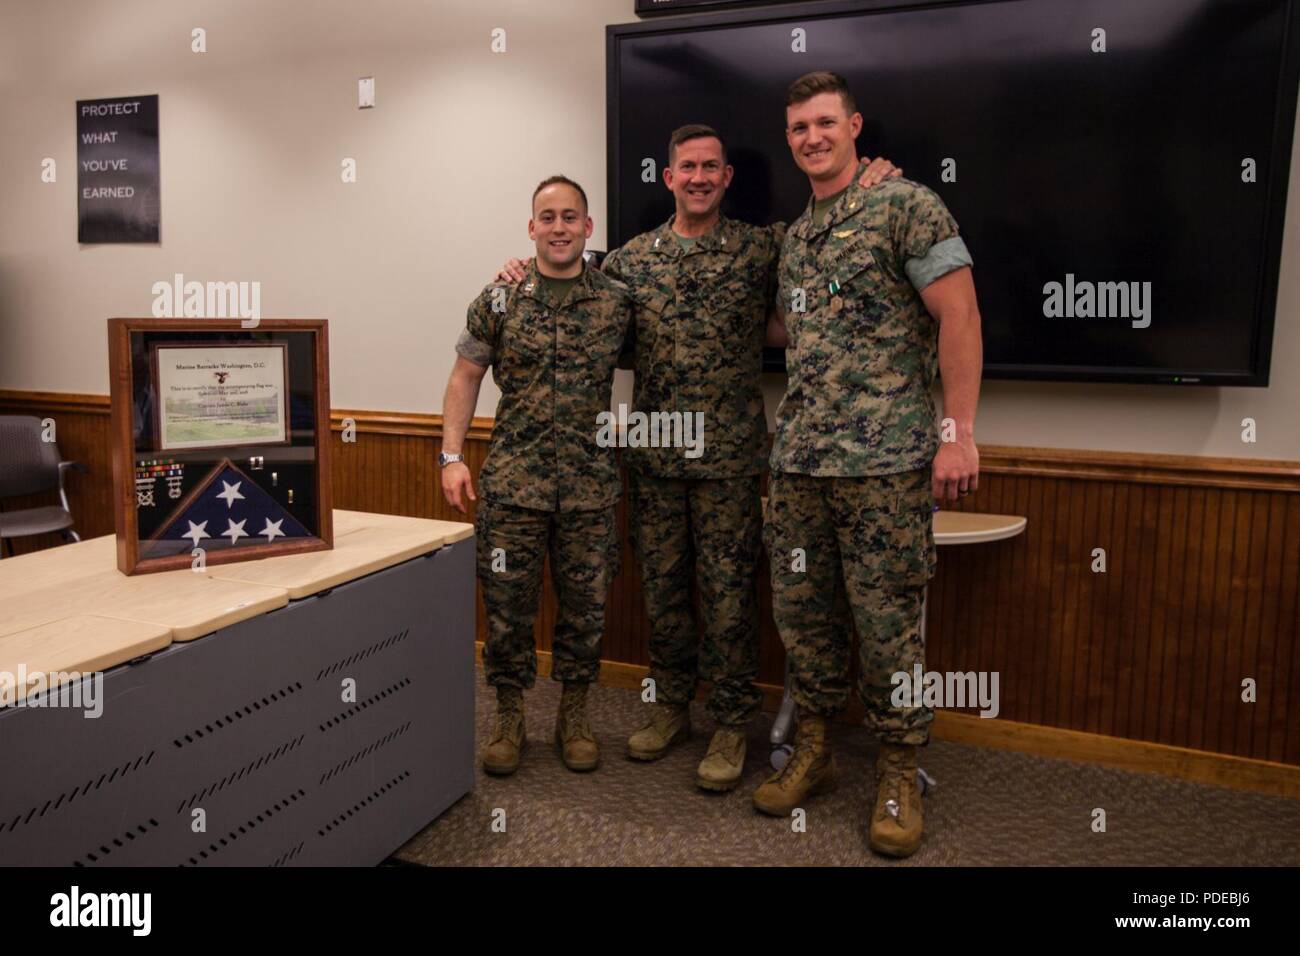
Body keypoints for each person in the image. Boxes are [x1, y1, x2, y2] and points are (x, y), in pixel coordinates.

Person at [498, 129, 899, 791]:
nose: (700, 177)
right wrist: (516, 269)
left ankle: (732, 724)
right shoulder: (630, 262)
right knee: (663, 596)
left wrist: (862, 186)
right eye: (689, 166)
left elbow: (827, 263)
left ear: (727, 175)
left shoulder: (759, 246)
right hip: (653, 459)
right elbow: (567, 280)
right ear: (668, 175)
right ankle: (670, 709)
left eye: (711, 166)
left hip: (730, 462)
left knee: (729, 599)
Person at [755, 71, 983, 858]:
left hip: (886, 463)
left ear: (855, 126)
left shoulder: (907, 205)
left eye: (824, 122)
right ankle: (814, 750)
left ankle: (896, 769)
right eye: (797, 128)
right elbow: (798, 335)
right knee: (804, 620)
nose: (811, 137)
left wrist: (958, 434)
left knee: (889, 629)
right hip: (801, 466)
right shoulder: (794, 236)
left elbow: (960, 315)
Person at [440, 175, 634, 775]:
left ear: (587, 228)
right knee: (506, 608)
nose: (558, 227)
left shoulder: (616, 300)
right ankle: (508, 717)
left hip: (590, 490)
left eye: (569, 217)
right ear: (531, 228)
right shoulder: (499, 298)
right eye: (547, 218)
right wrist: (450, 457)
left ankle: (573, 717)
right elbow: (465, 377)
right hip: (513, 488)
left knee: (585, 609)